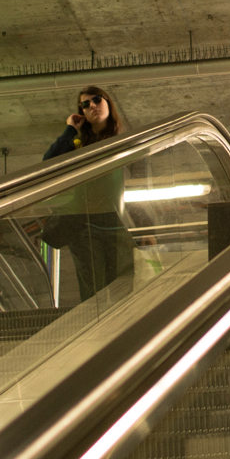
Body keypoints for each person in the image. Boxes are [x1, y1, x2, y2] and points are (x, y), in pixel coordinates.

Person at [42, 85, 136, 299]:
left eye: (96, 100)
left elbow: (132, 187)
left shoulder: (123, 143)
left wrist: (145, 226)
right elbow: (48, 162)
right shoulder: (77, 144)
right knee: (93, 290)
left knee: (123, 286)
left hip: (114, 224)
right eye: (85, 104)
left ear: (108, 103)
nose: (92, 105)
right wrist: (70, 129)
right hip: (84, 226)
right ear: (82, 112)